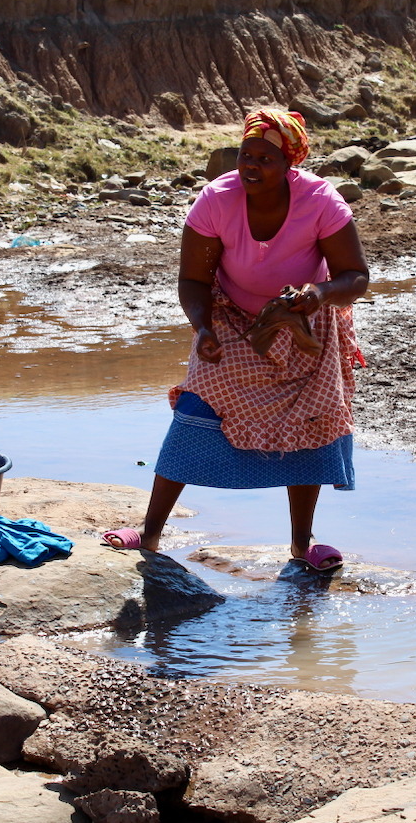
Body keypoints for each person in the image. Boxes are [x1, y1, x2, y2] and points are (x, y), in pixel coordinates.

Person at [103, 108, 369, 571]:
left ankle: (302, 546)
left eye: (265, 158)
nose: (251, 166)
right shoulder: (217, 200)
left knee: (308, 425)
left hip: (305, 322)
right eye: (246, 155)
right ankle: (149, 534)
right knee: (194, 410)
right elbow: (193, 280)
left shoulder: (321, 202)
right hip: (227, 318)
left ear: (289, 163)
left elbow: (356, 276)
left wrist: (319, 293)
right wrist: (203, 327)